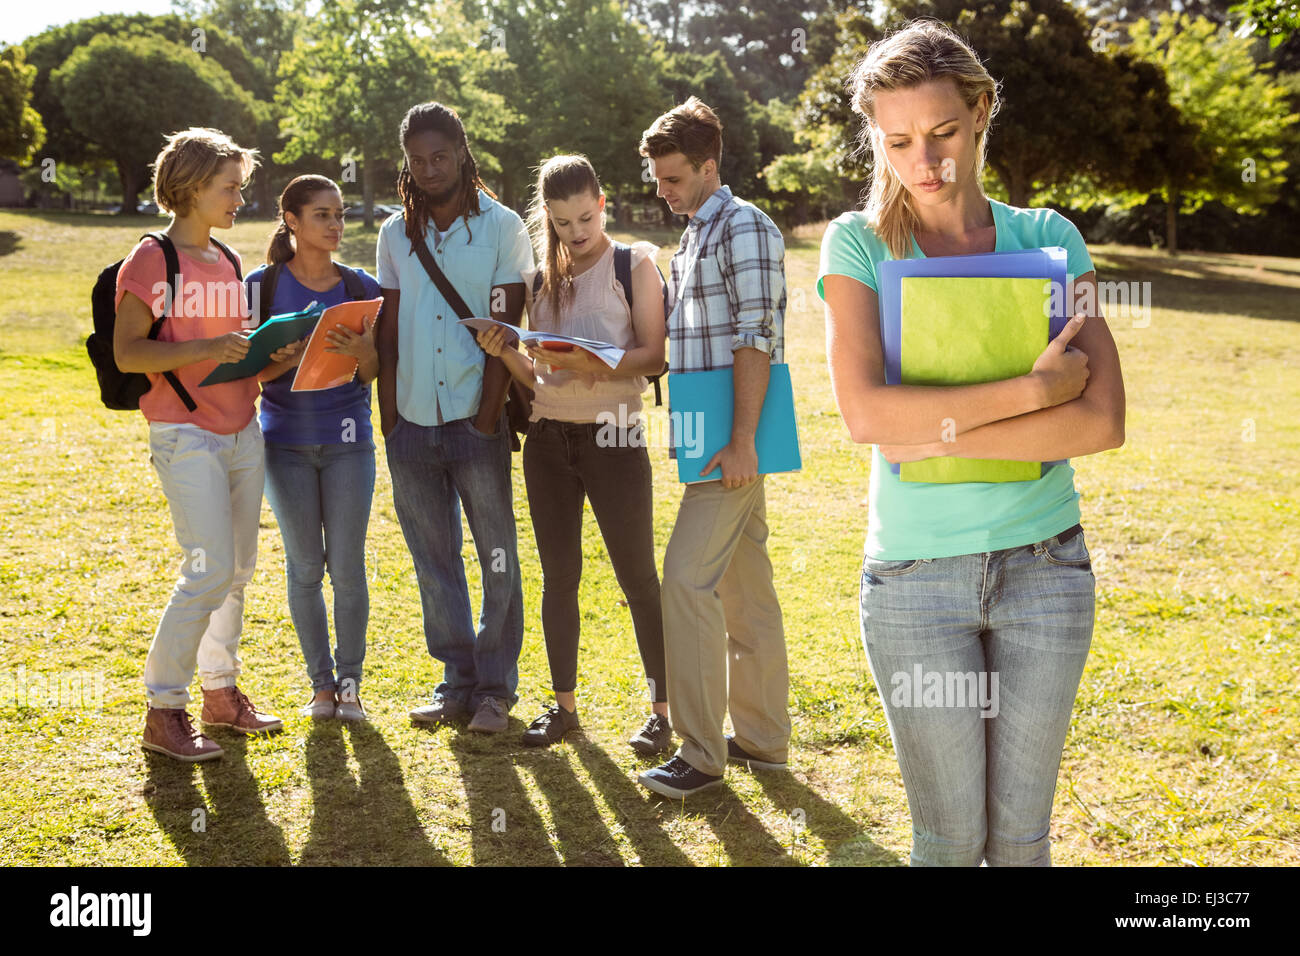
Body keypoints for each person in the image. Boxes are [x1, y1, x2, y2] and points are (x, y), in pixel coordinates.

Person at [818, 21, 1126, 866]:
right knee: (950, 844)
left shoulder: (1050, 239)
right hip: (916, 587)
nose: (925, 160)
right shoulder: (857, 246)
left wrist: (937, 425)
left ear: (983, 109)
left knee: (1022, 844)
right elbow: (869, 421)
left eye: (944, 132)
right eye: (899, 141)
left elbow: (1102, 420)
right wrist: (1032, 392)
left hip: (1045, 570)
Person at [474, 154, 671, 753]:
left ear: (602, 203)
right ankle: (563, 709)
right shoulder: (539, 280)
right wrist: (504, 350)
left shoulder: (632, 262)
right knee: (559, 578)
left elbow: (656, 356)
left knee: (638, 576)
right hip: (549, 440)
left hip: (614, 434)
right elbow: (538, 376)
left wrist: (597, 361)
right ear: (548, 220)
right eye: (562, 224)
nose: (576, 233)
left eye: (584, 218)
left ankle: (663, 713)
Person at [115, 127, 294, 761]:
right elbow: (129, 351)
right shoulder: (152, 260)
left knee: (237, 571)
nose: (240, 198)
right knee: (207, 568)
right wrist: (207, 349)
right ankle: (163, 709)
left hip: (242, 428)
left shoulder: (232, 260)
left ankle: (221, 693)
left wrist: (279, 355)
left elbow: (237, 356)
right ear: (191, 188)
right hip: (183, 432)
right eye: (230, 187)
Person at [635, 98, 793, 799]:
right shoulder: (695, 230)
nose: (661, 191)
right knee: (742, 584)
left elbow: (756, 335)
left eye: (671, 178)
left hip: (733, 436)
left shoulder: (744, 226)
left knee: (686, 580)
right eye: (656, 179)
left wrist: (741, 442)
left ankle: (700, 753)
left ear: (708, 166)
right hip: (705, 430)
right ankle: (761, 737)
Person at [375, 102, 534, 734]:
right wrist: (388, 416)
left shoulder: (502, 227)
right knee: (433, 558)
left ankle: (495, 688)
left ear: (463, 153)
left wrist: (488, 421)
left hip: (476, 419)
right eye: (417, 158)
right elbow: (386, 329)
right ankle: (455, 681)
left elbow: (506, 328)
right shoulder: (394, 235)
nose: (430, 168)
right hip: (410, 419)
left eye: (440, 155)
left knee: (496, 554)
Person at [245, 175, 382, 723]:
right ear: (292, 222)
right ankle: (320, 687)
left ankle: (350, 686)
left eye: (339, 214)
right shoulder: (261, 285)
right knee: (304, 568)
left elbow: (372, 374)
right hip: (284, 444)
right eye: (321, 215)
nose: (334, 225)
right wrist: (285, 356)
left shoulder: (358, 285)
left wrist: (364, 350)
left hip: (349, 443)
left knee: (347, 568)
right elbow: (245, 375)